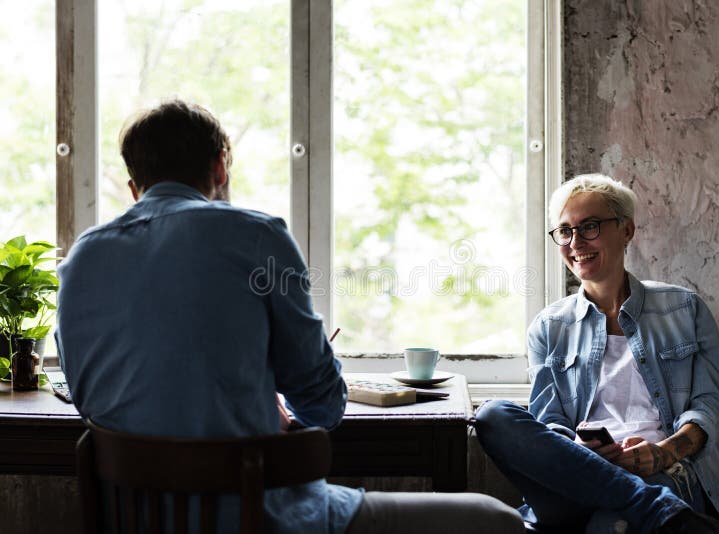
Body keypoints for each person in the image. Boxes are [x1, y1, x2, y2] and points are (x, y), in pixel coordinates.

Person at [56, 99, 523, 534]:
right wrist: (264, 406)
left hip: (135, 518)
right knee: (494, 520)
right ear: (220, 165)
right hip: (266, 514)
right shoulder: (256, 236)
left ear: (134, 187)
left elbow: (87, 395)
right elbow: (323, 405)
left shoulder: (82, 257)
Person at [474, 174, 719, 533]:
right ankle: (657, 509)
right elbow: (549, 421)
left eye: (590, 227)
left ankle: (649, 502)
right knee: (492, 415)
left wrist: (662, 452)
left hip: (665, 472)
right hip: (578, 473)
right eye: (565, 231)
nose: (575, 242)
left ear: (626, 230)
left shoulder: (684, 309)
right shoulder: (549, 327)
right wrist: (579, 449)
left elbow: (710, 408)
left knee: (610, 524)